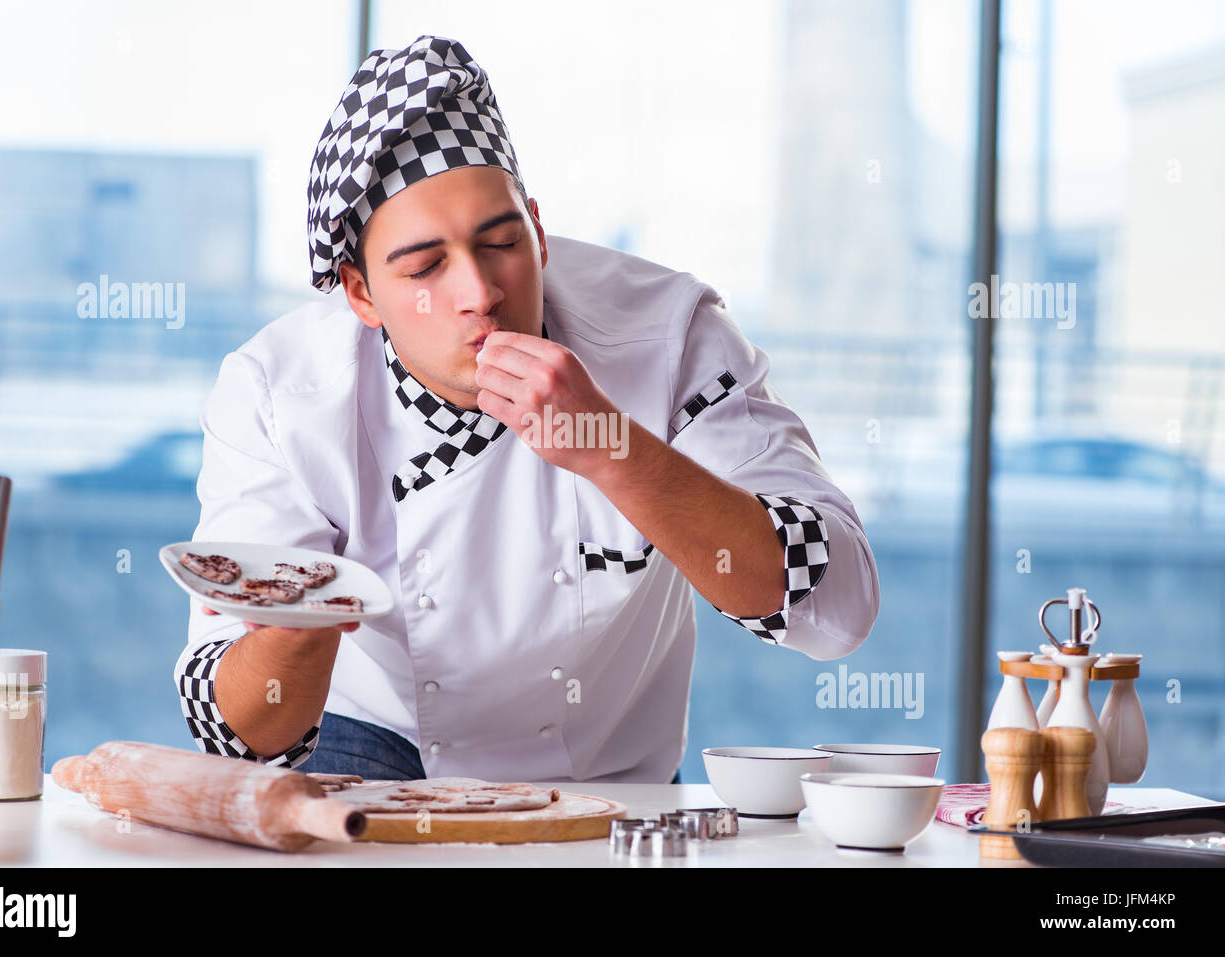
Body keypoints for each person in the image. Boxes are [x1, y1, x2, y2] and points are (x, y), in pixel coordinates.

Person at [173, 35, 879, 783]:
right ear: (359, 293)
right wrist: (308, 611)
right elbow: (237, 732)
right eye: (424, 267)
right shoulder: (281, 393)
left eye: (502, 241)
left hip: (613, 786)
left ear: (538, 231)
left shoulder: (669, 335)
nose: (479, 291)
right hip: (372, 753)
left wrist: (614, 450)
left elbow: (840, 609)